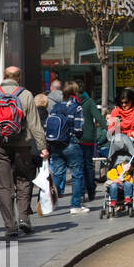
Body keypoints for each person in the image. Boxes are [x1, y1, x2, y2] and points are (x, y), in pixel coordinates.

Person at [0, 66, 48, 238]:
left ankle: (10, 225)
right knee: (24, 180)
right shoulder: (26, 95)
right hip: (22, 145)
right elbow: (34, 124)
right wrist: (42, 146)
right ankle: (24, 218)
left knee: (3, 185)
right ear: (19, 78)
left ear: (4, 76)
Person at [48, 81, 88, 215]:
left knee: (58, 173)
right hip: (71, 143)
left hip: (56, 144)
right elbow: (79, 128)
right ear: (75, 92)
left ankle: (47, 202)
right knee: (76, 174)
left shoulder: (56, 106)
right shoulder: (77, 107)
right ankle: (75, 205)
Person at [76, 80, 101, 201]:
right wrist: (113, 131)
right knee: (88, 165)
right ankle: (91, 190)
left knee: (78, 166)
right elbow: (99, 118)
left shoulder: (70, 102)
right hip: (88, 138)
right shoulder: (89, 102)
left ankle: (80, 192)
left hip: (75, 138)